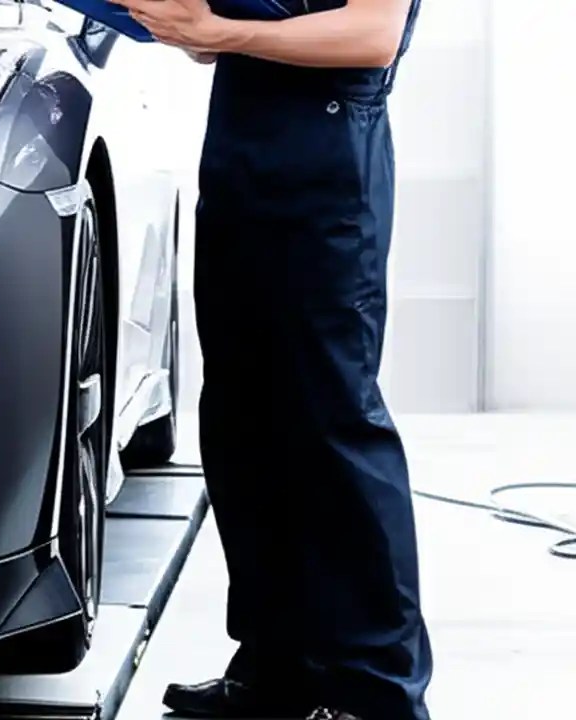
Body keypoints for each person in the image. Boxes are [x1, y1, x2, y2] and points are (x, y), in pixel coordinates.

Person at [105, 0, 431, 719]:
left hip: (329, 153)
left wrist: (221, 32)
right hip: (241, 145)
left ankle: (374, 692)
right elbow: (224, 36)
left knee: (333, 424)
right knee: (240, 424)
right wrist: (185, 24)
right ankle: (275, 670)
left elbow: (371, 36)